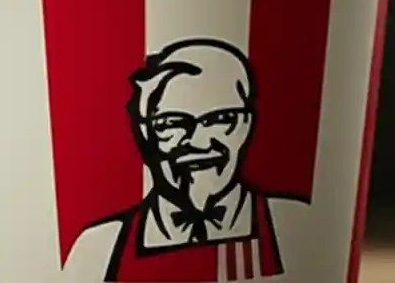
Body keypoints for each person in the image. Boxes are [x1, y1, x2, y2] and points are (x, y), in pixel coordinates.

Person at [67, 39, 303, 282]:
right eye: (172, 123)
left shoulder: (293, 224)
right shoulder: (101, 247)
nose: (200, 143)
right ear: (146, 134)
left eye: (221, 118)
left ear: (246, 126)